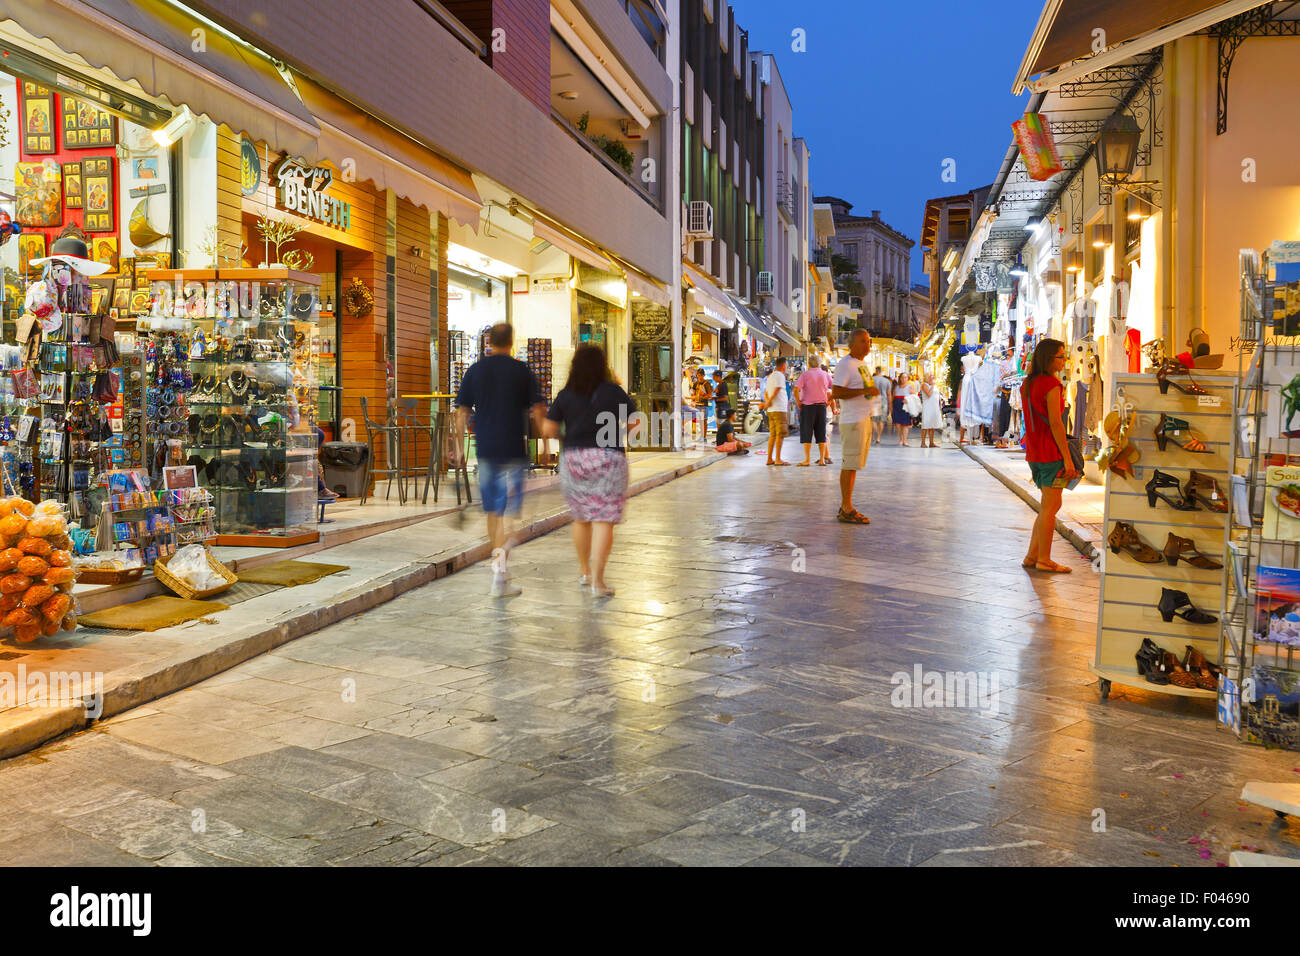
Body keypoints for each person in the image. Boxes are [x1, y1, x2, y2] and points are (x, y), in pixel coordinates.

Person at [455, 322, 546, 597]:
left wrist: (459, 448)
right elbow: (539, 409)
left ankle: (499, 575)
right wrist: (545, 443)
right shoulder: (521, 371)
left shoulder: (475, 371)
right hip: (514, 453)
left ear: (489, 342)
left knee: (494, 512)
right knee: (512, 517)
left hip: (486, 452)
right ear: (511, 342)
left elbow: (460, 412)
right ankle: (503, 561)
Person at [543, 345, 639, 598]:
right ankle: (598, 582)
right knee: (603, 518)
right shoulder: (613, 392)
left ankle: (585, 572)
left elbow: (549, 429)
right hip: (609, 457)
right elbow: (635, 423)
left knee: (582, 517)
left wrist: (570, 436)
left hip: (574, 459)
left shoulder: (566, 394)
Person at [1020, 337, 1077, 574]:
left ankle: (1032, 556)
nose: (1065, 360)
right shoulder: (1052, 385)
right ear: (1049, 358)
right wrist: (1067, 457)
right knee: (1051, 506)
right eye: (1061, 356)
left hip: (1034, 451)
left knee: (1047, 506)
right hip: (1050, 451)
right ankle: (1045, 558)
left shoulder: (1028, 384)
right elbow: (1055, 422)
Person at [829, 329, 878, 524]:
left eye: (868, 341)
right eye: (863, 341)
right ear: (852, 344)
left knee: (854, 465)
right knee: (849, 464)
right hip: (852, 420)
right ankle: (846, 507)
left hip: (863, 419)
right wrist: (864, 391)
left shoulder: (862, 364)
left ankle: (847, 505)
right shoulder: (845, 364)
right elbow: (836, 391)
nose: (868, 345)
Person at [794, 354, 834, 466]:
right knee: (821, 433)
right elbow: (834, 388)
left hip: (807, 407)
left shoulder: (805, 375)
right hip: (821, 406)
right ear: (819, 363)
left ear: (809, 363)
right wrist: (829, 400)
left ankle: (807, 460)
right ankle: (822, 459)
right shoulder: (825, 375)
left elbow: (796, 389)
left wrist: (798, 402)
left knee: (807, 433)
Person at [760, 356, 790, 466]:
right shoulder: (780, 376)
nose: (786, 367)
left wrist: (768, 403)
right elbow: (777, 390)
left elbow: (766, 393)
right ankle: (777, 459)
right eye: (786, 364)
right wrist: (769, 402)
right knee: (780, 434)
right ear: (783, 365)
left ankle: (769, 458)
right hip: (779, 409)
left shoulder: (770, 376)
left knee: (772, 434)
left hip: (772, 410)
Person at [920, 373, 942, 448]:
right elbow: (929, 394)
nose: (932, 378)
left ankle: (931, 442)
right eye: (931, 377)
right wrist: (932, 385)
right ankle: (923, 443)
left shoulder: (934, 385)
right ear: (927, 378)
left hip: (934, 407)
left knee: (932, 425)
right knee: (926, 424)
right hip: (927, 407)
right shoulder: (924, 385)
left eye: (933, 377)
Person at [871, 366, 893, 443]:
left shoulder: (871, 380)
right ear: (881, 371)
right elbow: (889, 394)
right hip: (884, 401)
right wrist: (890, 404)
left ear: (876, 371)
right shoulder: (887, 381)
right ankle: (878, 437)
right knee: (881, 420)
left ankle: (875, 433)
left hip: (874, 400)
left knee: (873, 420)